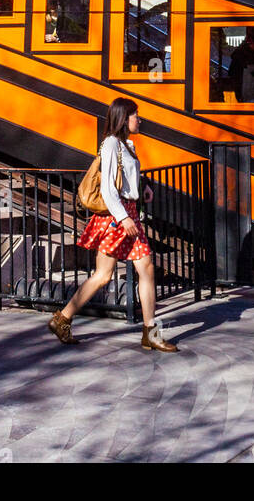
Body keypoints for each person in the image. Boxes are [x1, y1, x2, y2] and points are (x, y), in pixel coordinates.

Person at [47, 97, 179, 352]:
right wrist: (124, 217)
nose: (139, 120)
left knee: (143, 268)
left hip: (126, 214)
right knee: (104, 275)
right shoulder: (110, 144)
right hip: (116, 219)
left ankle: (148, 331)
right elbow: (108, 188)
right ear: (123, 118)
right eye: (135, 115)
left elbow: (124, 179)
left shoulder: (126, 145)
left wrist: (144, 188)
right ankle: (63, 318)